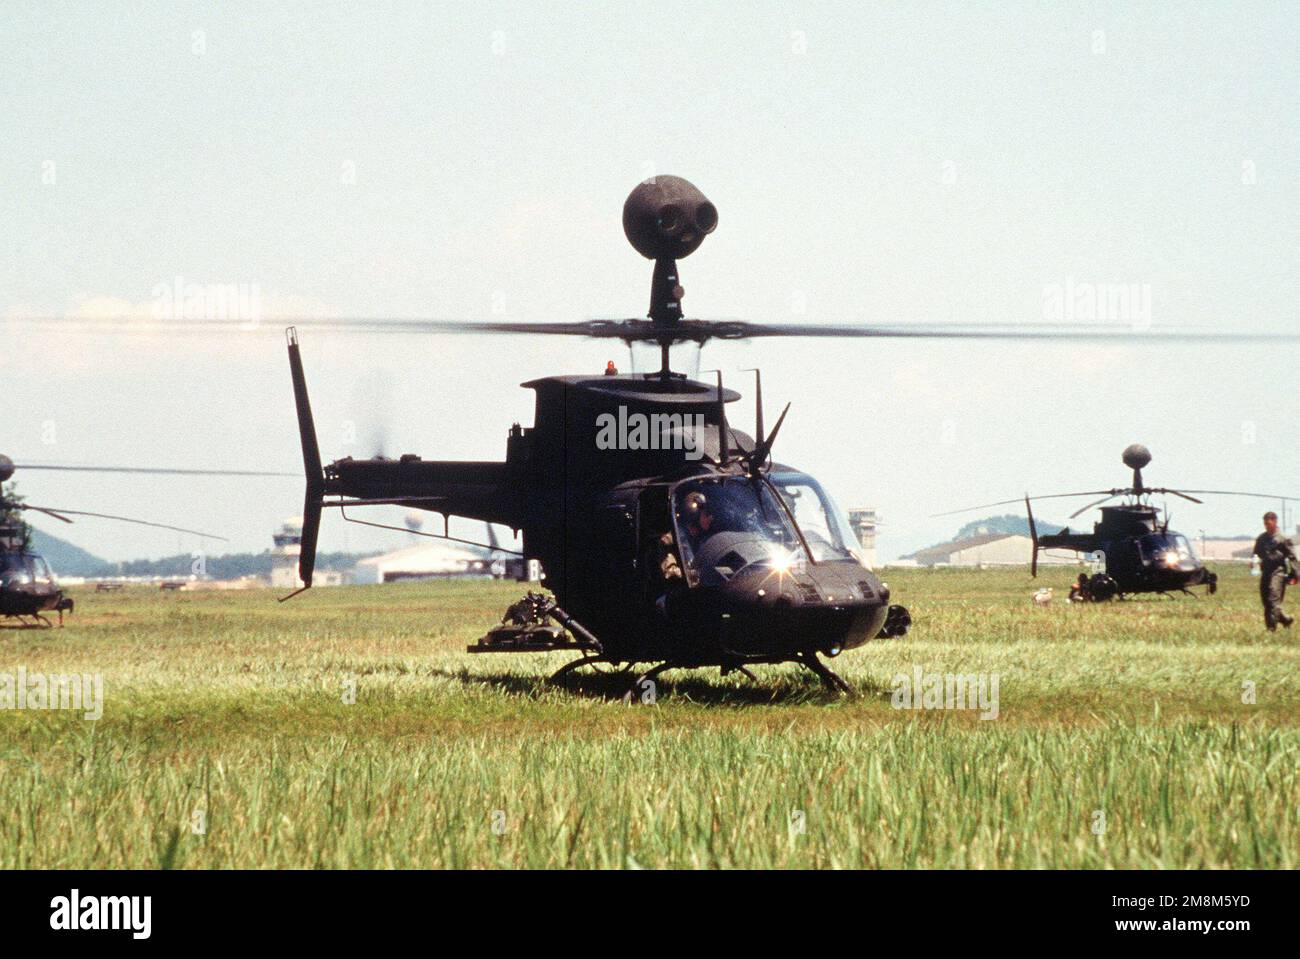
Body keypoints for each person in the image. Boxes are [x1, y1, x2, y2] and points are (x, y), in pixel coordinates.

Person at [1252, 511, 1296, 631]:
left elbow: (1292, 556)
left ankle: (1271, 629)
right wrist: (1253, 562)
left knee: (1273, 599)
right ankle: (1285, 620)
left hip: (1278, 572)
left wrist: (1296, 573)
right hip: (1265, 571)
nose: (1267, 526)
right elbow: (1256, 554)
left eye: (1269, 523)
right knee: (1266, 601)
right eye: (1265, 523)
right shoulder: (1261, 538)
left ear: (1275, 522)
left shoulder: (1283, 538)